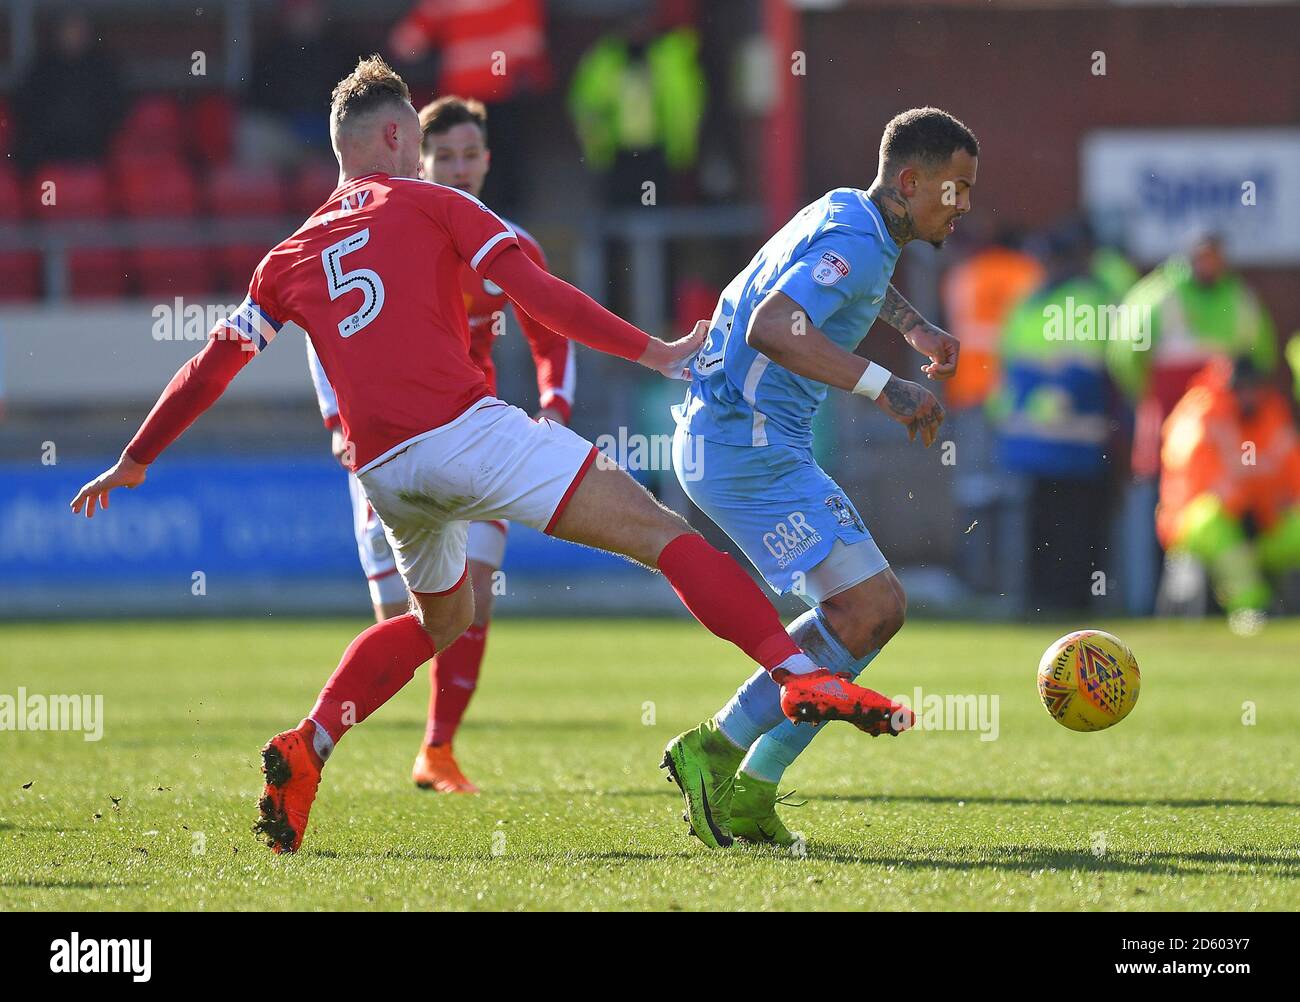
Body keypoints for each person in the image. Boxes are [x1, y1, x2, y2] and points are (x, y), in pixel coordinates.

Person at [70, 56, 912, 855]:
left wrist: (137, 458)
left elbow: (209, 365)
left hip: (384, 473)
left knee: (441, 621)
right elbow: (538, 296)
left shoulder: (285, 256)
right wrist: (650, 349)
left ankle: (311, 742)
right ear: (401, 139)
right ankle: (797, 674)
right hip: (467, 431)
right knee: (662, 533)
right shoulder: (436, 204)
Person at [665, 107, 973, 847]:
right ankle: (718, 750)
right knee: (869, 609)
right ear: (910, 180)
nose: (964, 205)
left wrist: (912, 329)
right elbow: (773, 325)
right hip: (746, 445)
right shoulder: (856, 242)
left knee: (869, 611)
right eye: (955, 189)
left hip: (745, 439)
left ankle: (750, 789)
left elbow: (850, 290)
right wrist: (887, 386)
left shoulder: (853, 214)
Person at [305, 95, 575, 794]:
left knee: (474, 599)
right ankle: (322, 736)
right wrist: (338, 421)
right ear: (418, 158)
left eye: (469, 156)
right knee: (407, 620)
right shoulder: (383, 234)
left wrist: (555, 409)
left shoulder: (507, 242)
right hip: (388, 441)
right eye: (443, 156)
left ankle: (438, 750)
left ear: (487, 161)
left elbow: (552, 331)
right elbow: (322, 327)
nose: (457, 169)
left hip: (475, 435)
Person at [987, 221, 1118, 612]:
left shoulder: (1035, 301)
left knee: (1050, 526)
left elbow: (1015, 370)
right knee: (1074, 527)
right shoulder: (1086, 299)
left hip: (1044, 439)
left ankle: (1046, 602)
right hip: (1071, 440)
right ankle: (1066, 602)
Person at [1156, 357, 1300, 629]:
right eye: (1242, 388)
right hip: (1196, 524)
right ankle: (1252, 608)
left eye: (1254, 387)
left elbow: (1292, 473)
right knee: (1212, 520)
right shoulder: (1200, 414)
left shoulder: (1271, 412)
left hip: (1262, 523)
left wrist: (1266, 509)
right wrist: (1243, 505)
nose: (1249, 395)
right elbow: (1197, 485)